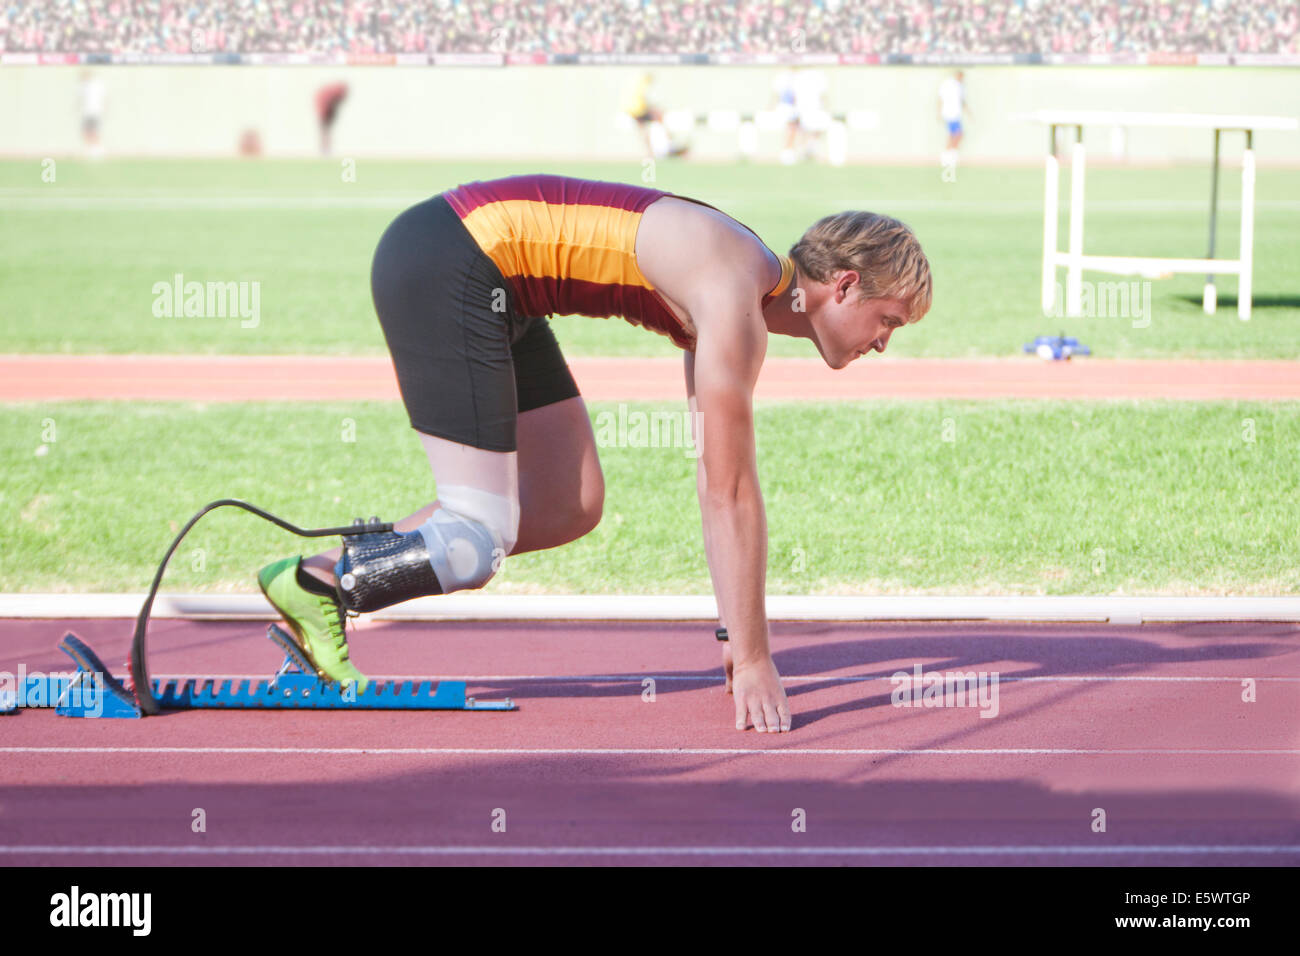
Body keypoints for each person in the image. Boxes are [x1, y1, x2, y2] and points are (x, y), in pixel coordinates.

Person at [258, 174, 932, 733]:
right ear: (844, 286)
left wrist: (736, 636)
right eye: (889, 322)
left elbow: (712, 478)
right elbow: (730, 490)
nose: (884, 343)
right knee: (473, 540)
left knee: (565, 502)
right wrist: (755, 657)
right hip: (451, 259)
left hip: (494, 283)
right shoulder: (735, 295)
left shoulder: (743, 280)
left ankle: (324, 579)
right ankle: (318, 586)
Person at [938, 70, 968, 171]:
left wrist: (968, 112)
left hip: (956, 114)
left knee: (957, 135)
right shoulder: (948, 84)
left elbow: (962, 101)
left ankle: (952, 155)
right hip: (949, 113)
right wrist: (939, 112)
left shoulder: (960, 86)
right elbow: (940, 98)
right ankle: (947, 156)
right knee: (954, 135)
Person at [315, 82, 349, 155]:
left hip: (326, 110)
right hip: (324, 111)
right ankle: (325, 149)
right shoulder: (331, 95)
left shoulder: (334, 93)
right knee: (325, 131)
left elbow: (334, 105)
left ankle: (326, 149)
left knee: (326, 131)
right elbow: (328, 106)